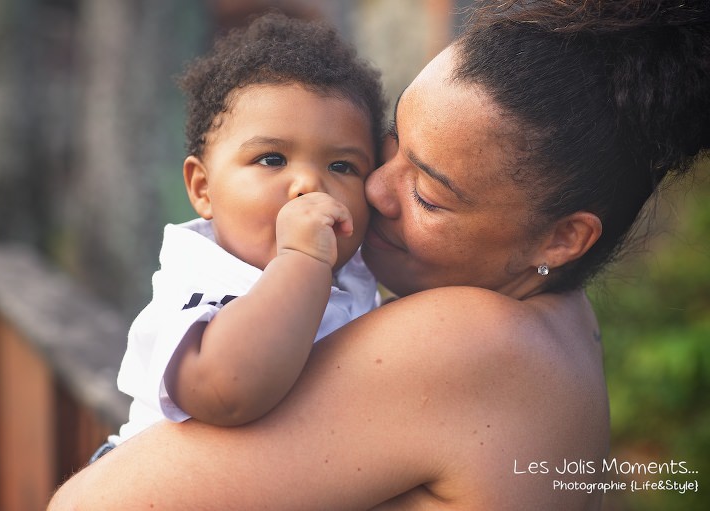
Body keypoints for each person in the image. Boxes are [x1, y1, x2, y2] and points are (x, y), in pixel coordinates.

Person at [50, 0, 709, 509]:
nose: (372, 189)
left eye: (427, 193)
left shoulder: (472, 339)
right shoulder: (565, 321)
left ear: (561, 239)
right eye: (391, 146)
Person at [96, 11, 386, 459]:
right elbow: (225, 391)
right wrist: (302, 261)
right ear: (203, 189)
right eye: (272, 159)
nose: (309, 185)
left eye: (342, 166)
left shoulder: (357, 280)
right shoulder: (199, 278)